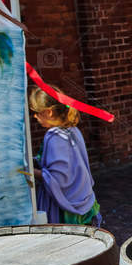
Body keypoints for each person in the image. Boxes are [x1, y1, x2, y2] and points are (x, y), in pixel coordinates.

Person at [29, 85, 101, 225]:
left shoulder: (54, 137)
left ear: (49, 112)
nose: (35, 116)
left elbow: (59, 180)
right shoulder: (73, 130)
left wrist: (32, 172)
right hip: (84, 199)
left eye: (37, 112)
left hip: (67, 211)